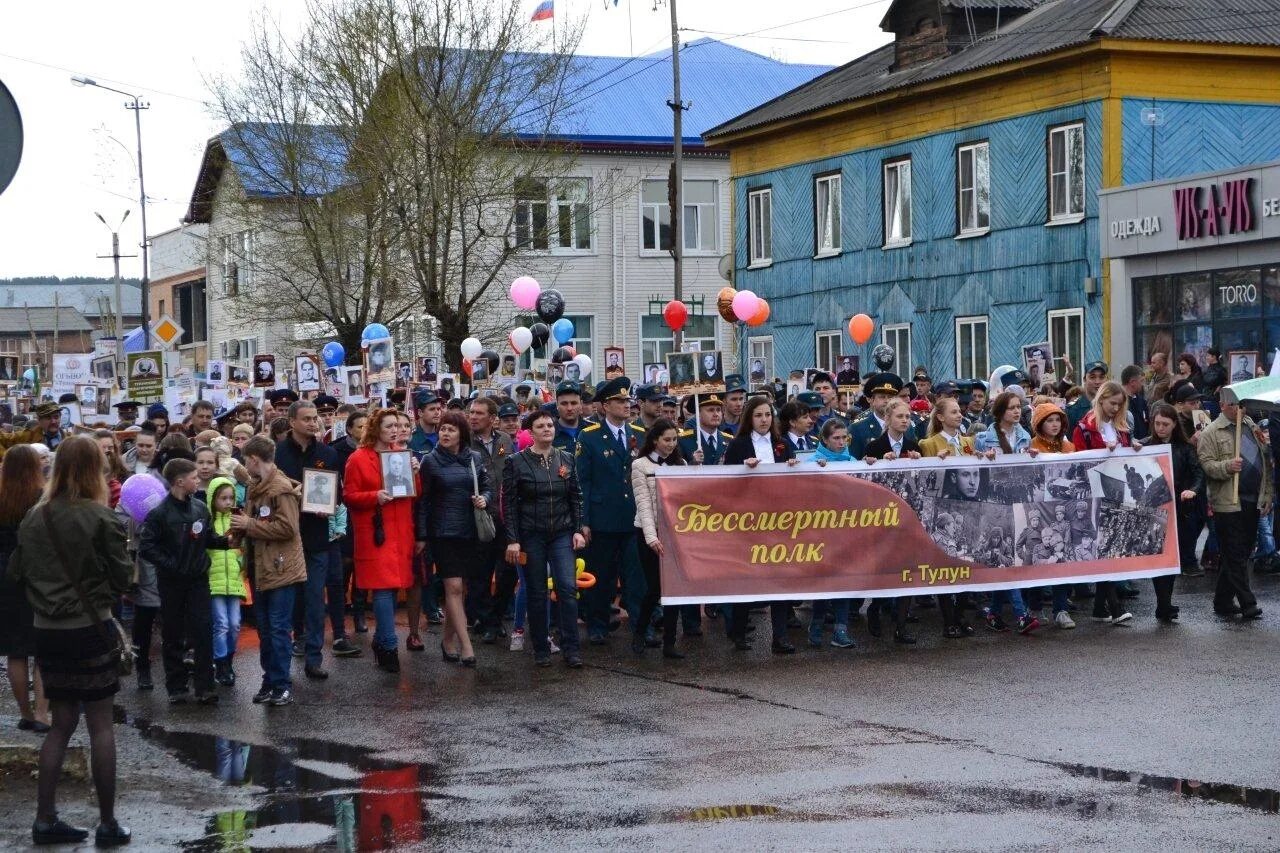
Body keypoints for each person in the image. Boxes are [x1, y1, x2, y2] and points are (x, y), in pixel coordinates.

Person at [7, 436, 132, 847]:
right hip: (89, 626)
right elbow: (123, 578)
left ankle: (45, 819)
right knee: (100, 724)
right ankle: (108, 823)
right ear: (95, 469)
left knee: (60, 724)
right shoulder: (100, 517)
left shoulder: (33, 518)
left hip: (48, 630)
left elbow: (17, 572)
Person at [502, 409, 586, 667]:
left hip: (561, 532)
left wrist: (578, 529)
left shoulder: (567, 458)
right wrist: (513, 539)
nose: (547, 429)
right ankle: (540, 648)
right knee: (537, 591)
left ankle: (572, 648)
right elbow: (510, 504)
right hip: (531, 534)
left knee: (567, 588)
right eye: (541, 426)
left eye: (550, 425)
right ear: (531, 432)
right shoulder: (516, 462)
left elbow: (575, 497)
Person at [138, 458, 223, 705]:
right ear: (179, 481)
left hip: (197, 580)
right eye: (194, 478)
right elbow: (147, 547)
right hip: (172, 582)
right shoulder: (160, 513)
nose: (198, 481)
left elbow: (207, 538)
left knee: (203, 630)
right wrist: (171, 565)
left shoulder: (199, 508)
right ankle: (176, 686)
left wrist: (226, 541)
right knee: (173, 633)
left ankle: (205, 686)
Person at [230, 436, 307, 706]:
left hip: (281, 567)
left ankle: (281, 684)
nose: (244, 465)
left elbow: (288, 528)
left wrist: (249, 524)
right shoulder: (255, 485)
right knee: (265, 629)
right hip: (261, 567)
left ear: (253, 459)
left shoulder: (279, 488)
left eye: (245, 459)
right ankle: (270, 681)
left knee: (277, 628)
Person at [722, 395, 800, 653]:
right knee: (747, 577)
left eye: (767, 415)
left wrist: (793, 467)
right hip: (749, 521)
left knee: (780, 577)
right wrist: (742, 469)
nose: (764, 420)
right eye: (758, 415)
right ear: (749, 418)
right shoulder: (739, 445)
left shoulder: (782, 444)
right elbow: (725, 482)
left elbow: (794, 480)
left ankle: (779, 636)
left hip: (779, 519)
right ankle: (738, 631)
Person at [345, 409, 417, 671]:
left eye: (398, 425)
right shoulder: (358, 458)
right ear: (376, 428)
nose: (396, 430)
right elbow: (349, 495)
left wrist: (415, 473)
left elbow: (414, 493)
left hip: (400, 531)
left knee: (394, 586)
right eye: (389, 426)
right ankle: (388, 645)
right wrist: (374, 496)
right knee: (383, 588)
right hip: (376, 532)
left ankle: (381, 640)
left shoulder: (402, 454)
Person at [417, 411, 489, 667]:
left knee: (458, 590)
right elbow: (423, 502)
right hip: (443, 533)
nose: (445, 434)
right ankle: (466, 645)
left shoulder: (475, 458)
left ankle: (447, 640)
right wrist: (422, 535)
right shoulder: (430, 461)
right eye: (442, 429)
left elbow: (487, 486)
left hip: (470, 531)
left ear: (462, 434)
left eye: (451, 430)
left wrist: (485, 499)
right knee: (454, 588)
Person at [1198, 393, 1270, 621]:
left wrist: (1266, 493)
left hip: (1251, 498)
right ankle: (1248, 603)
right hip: (1228, 500)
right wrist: (1228, 466)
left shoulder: (1250, 425)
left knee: (1241, 551)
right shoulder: (1211, 432)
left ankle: (1222, 600)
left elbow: (1264, 461)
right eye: (1233, 405)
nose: (1240, 410)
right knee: (1235, 552)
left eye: (1242, 405)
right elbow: (1207, 465)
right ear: (1222, 405)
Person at [0, 445, 49, 733]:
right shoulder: (42, 499)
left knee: (15, 651)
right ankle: (43, 713)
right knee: (42, 648)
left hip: (4, 578)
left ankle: (25, 713)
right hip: (37, 576)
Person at [1146, 403, 1202, 621]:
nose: (1160, 428)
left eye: (1165, 424)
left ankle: (1165, 602)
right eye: (1157, 423)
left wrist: (1193, 490)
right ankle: (1163, 603)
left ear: (1174, 425)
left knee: (1172, 558)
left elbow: (1198, 474)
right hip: (1153, 509)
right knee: (1158, 557)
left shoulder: (1185, 448)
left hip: (1178, 508)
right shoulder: (1146, 444)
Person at [468, 397, 517, 643]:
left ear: (492, 418)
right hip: (477, 518)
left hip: (504, 516)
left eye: (479, 413)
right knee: (480, 574)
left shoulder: (505, 441)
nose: (473, 417)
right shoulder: (465, 442)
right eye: (471, 412)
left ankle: (496, 617)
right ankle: (486, 620)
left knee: (508, 572)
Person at [806, 419, 858, 649]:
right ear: (824, 440)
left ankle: (841, 628)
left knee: (844, 579)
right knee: (824, 581)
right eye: (836, 438)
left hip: (846, 530)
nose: (841, 442)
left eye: (844, 437)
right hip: (821, 531)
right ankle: (816, 622)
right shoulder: (811, 463)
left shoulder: (853, 462)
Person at [204, 477, 247, 686]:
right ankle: (221, 662)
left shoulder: (237, 521)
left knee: (235, 624)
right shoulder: (208, 522)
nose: (228, 502)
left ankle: (228, 658)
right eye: (223, 498)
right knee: (220, 623)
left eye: (231, 498)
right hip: (214, 580)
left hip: (234, 579)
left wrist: (242, 564)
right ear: (213, 499)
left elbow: (244, 548)